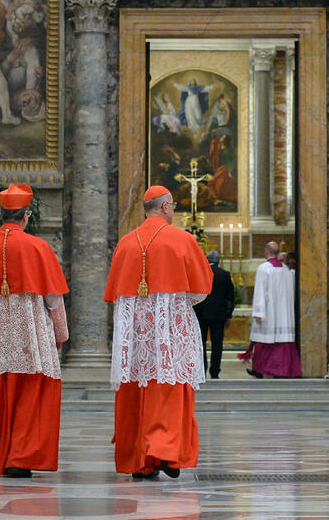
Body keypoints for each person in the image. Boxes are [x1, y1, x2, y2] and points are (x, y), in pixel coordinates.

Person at [0, 183, 69, 477]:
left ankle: (7, 456)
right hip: (33, 342)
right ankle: (20, 457)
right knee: (31, 398)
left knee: (3, 398)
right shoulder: (40, 248)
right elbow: (54, 298)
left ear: (1, 215)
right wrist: (61, 335)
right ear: (26, 216)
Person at [105, 186, 211, 479]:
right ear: (165, 207)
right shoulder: (182, 239)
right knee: (169, 386)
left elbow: (116, 294)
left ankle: (141, 460)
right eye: (173, 206)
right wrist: (177, 304)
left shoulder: (126, 243)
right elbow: (201, 289)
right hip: (170, 329)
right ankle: (165, 451)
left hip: (134, 333)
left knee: (136, 389)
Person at [240, 242, 300, 378]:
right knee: (281, 341)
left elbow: (260, 292)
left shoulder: (264, 268)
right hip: (283, 313)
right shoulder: (285, 269)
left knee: (265, 340)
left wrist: (258, 312)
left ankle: (264, 370)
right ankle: (281, 370)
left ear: (267, 251)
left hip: (269, 313)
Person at [194, 251, 235, 379]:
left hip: (201, 314)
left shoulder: (200, 273)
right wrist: (228, 315)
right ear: (219, 261)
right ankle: (215, 371)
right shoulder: (225, 275)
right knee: (217, 344)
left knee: (201, 343)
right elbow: (230, 298)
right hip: (219, 315)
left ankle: (202, 369)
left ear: (206, 260)